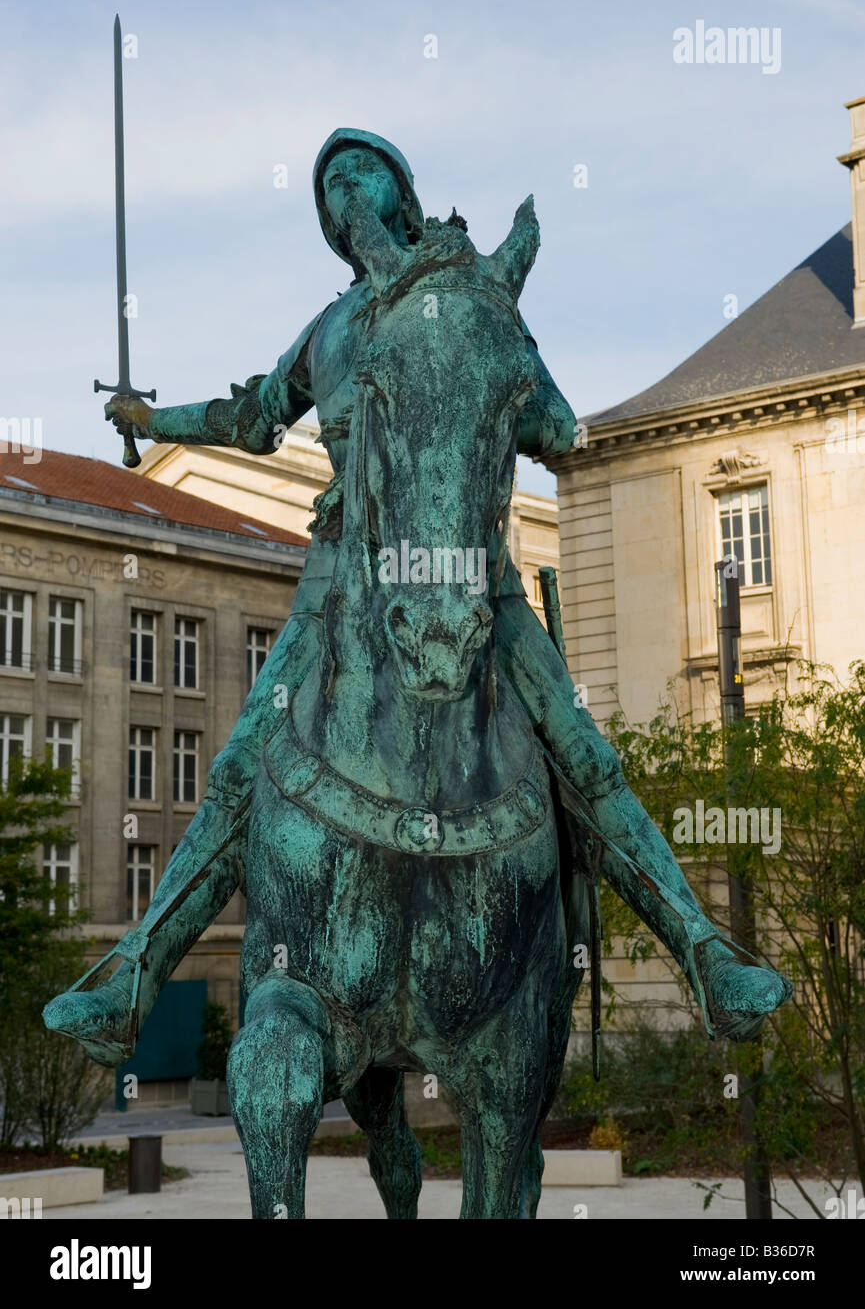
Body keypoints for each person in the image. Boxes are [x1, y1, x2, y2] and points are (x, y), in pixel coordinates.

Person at [44, 129, 790, 1066]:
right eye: (328, 186)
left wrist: (492, 383)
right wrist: (156, 421)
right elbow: (254, 418)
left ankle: (704, 953)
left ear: (400, 191)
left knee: (578, 747)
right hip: (340, 576)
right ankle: (131, 976)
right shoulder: (330, 327)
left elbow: (554, 425)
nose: (343, 192)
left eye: (360, 172)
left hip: (469, 565)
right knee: (238, 763)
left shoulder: (474, 299)